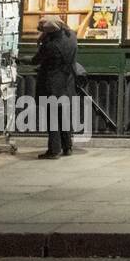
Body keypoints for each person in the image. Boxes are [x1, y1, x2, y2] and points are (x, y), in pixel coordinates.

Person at [32, 15, 79, 160]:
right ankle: (67, 146)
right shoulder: (71, 36)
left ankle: (54, 149)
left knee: (52, 117)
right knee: (63, 115)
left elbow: (36, 60)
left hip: (51, 85)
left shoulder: (51, 45)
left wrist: (20, 58)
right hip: (67, 82)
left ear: (50, 32)